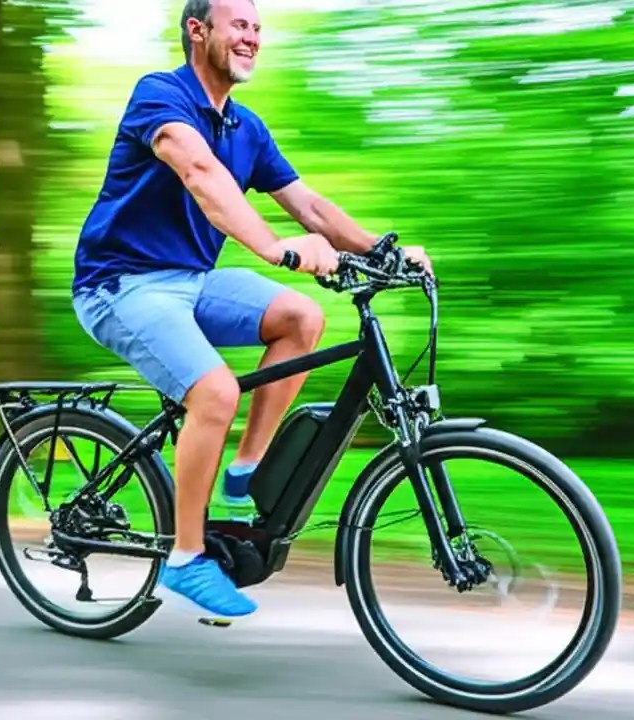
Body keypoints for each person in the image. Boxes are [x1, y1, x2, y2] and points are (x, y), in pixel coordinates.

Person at [70, 0, 433, 620]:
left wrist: (385, 250)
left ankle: (242, 472)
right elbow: (198, 172)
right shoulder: (161, 96)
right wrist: (275, 248)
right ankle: (185, 558)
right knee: (214, 393)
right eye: (240, 24)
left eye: (259, 28)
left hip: (192, 279)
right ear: (198, 31)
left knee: (302, 319)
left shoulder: (247, 129)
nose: (253, 38)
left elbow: (311, 209)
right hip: (121, 284)